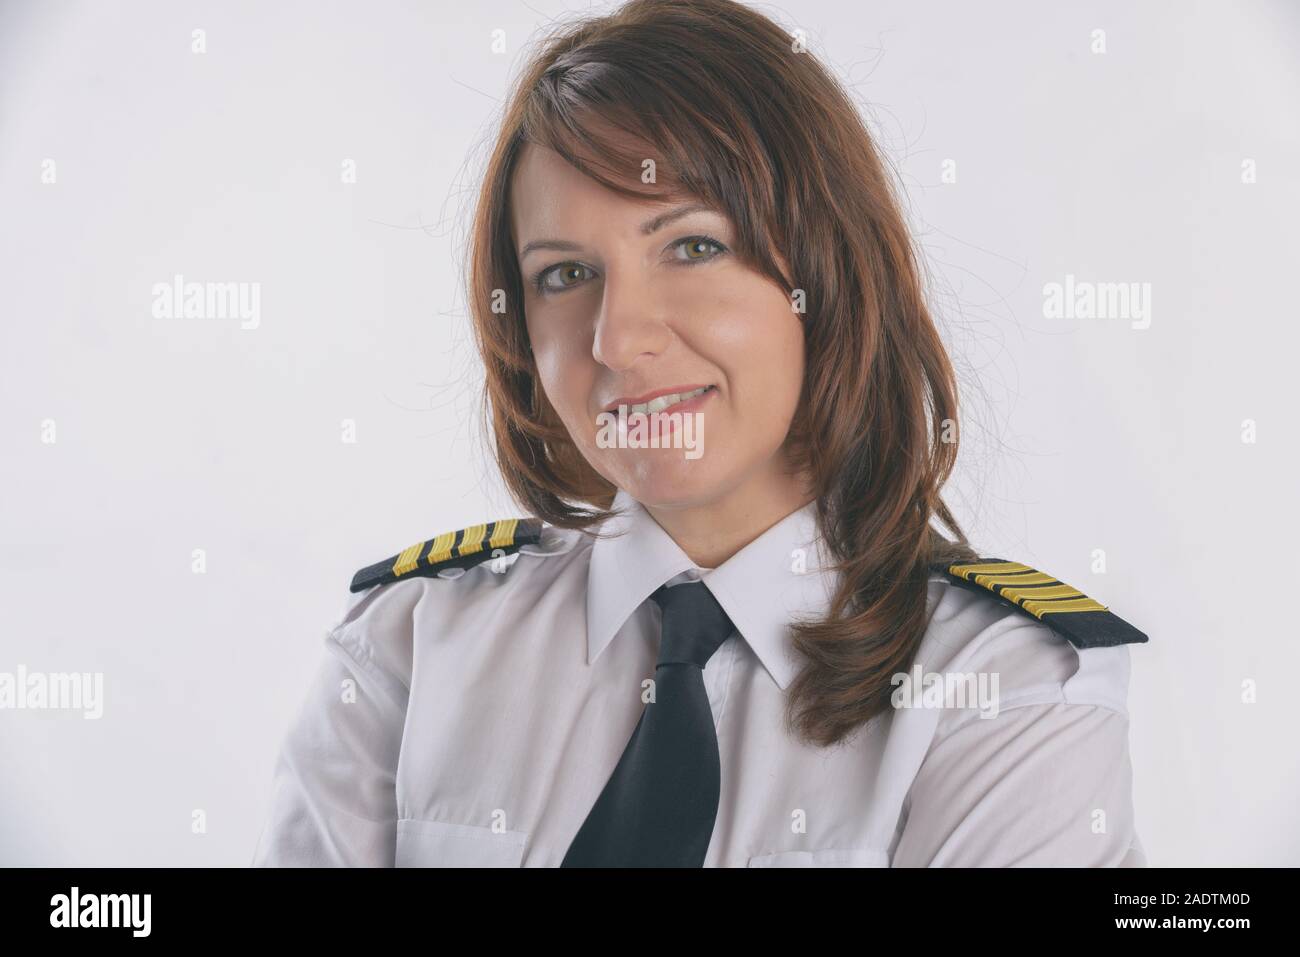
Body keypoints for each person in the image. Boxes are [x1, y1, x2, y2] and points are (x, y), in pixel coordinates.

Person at [252, 0, 1147, 867]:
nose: (617, 338)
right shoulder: (409, 645)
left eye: (691, 248)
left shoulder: (1009, 691)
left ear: (826, 270)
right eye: (563, 273)